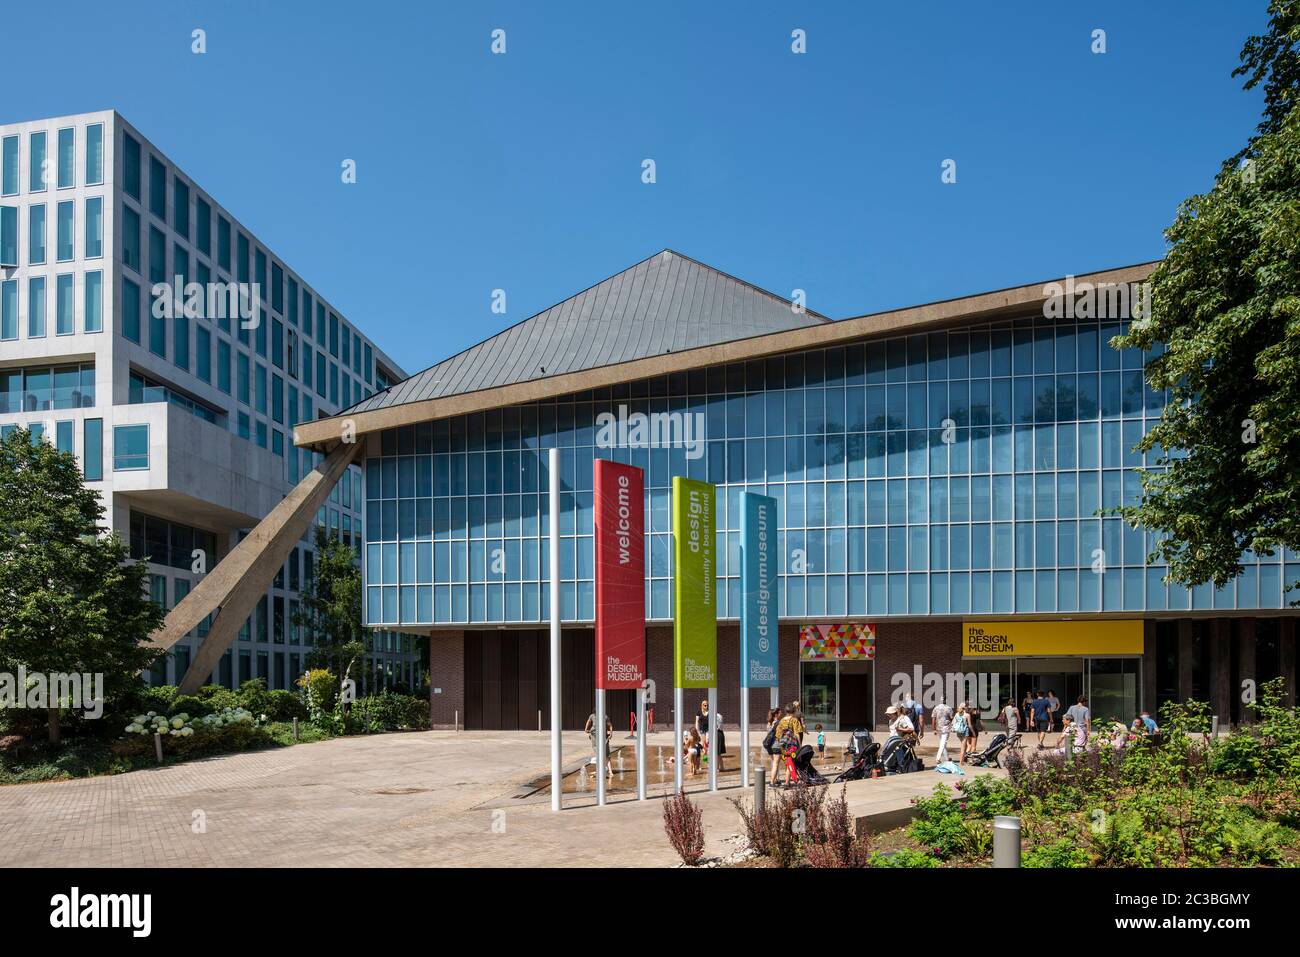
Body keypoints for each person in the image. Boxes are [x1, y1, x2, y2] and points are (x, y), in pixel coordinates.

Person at [584, 710, 614, 779]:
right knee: (598, 753)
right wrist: (586, 729)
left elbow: (610, 725)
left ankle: (610, 771)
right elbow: (588, 721)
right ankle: (600, 770)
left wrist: (611, 734)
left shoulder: (605, 717)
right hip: (594, 736)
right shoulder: (592, 716)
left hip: (603, 737)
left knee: (606, 753)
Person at [930, 698, 954, 764]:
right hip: (946, 728)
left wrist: (934, 729)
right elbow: (952, 718)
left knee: (943, 743)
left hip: (939, 728)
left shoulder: (936, 708)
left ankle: (947, 758)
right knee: (943, 743)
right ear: (946, 700)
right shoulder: (949, 708)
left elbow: (933, 719)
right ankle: (938, 758)